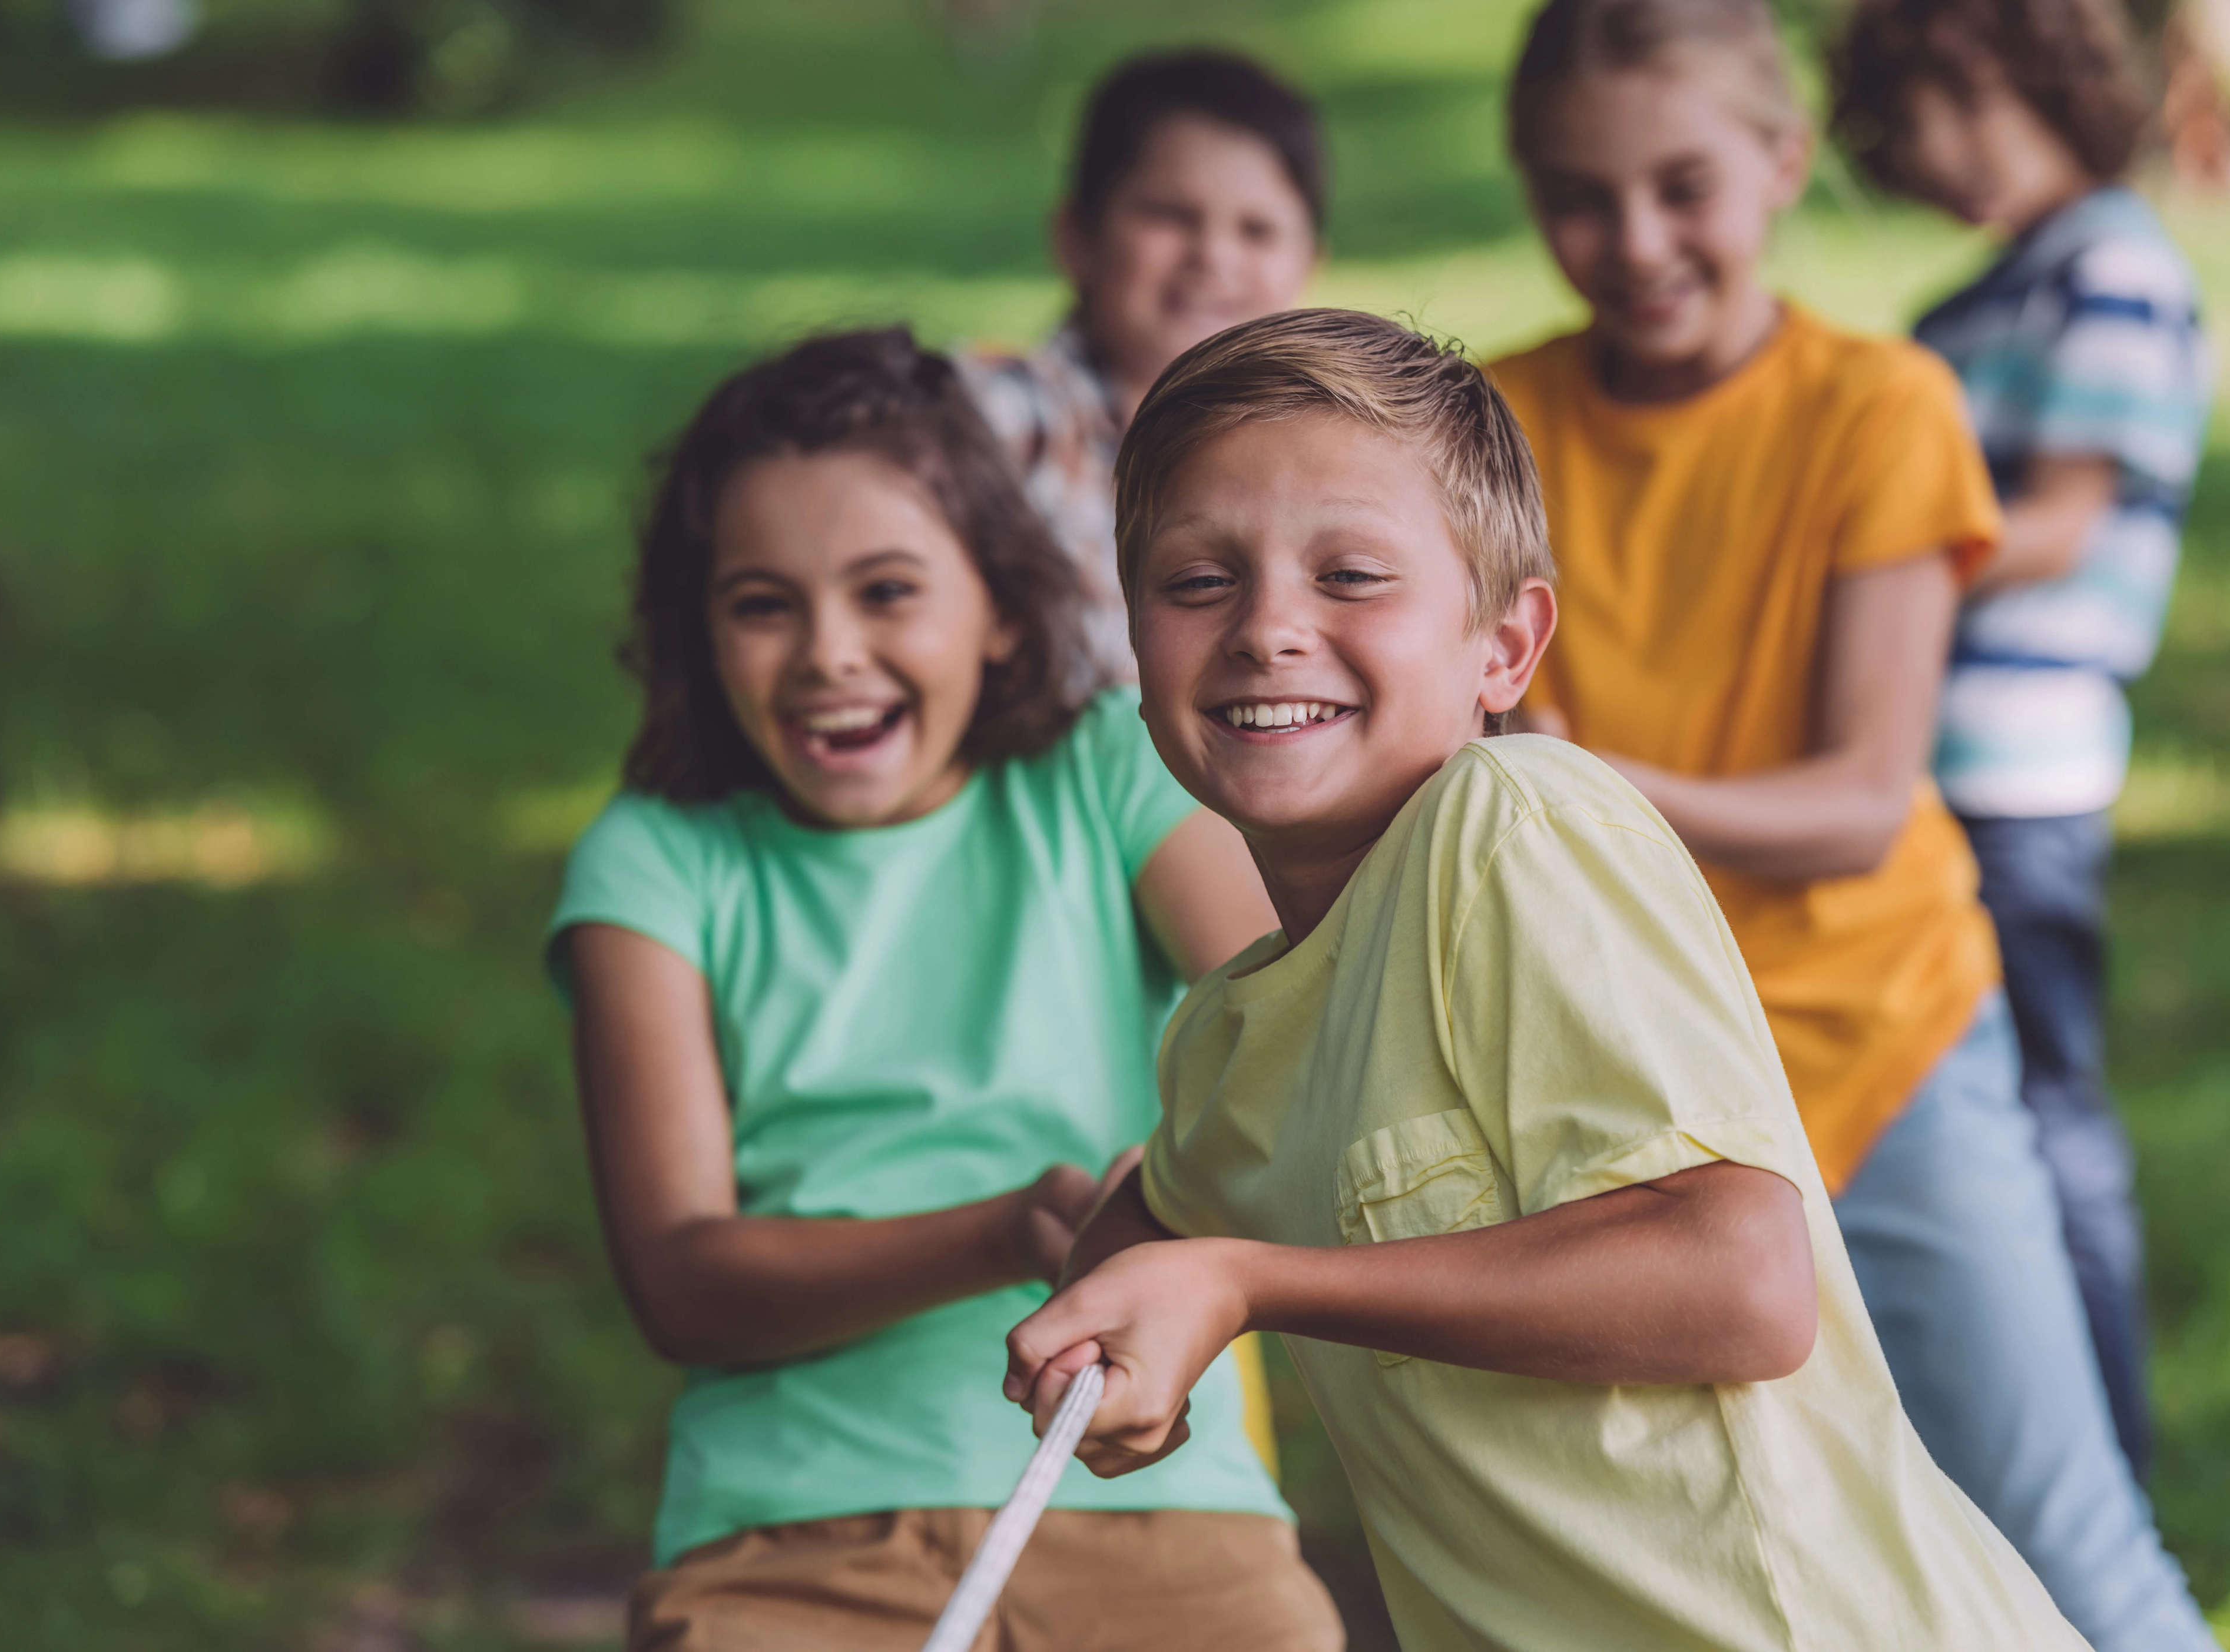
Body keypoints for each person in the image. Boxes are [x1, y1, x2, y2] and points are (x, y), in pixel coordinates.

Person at [1003, 306, 2090, 1652]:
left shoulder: (1512, 817)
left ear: (1504, 648)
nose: (1267, 626)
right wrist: (1104, 1333)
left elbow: (1738, 1278)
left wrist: (1247, 1280)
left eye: (1350, 574)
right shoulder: (1230, 1034)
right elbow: (1153, 1227)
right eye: (1194, 581)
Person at [1480, 4, 2217, 1647]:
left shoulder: (1877, 405)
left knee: (2056, 1536)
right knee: (1656, 1566)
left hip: (1873, 1032)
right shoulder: (1492, 424)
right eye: (1578, 198)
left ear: (1781, 164)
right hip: (1618, 1075)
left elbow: (1852, 802)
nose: (1636, 241)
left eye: (1684, 185)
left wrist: (1572, 780)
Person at [548, 327, 1341, 1652]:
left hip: (1155, 1499)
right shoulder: (654, 860)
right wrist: (1000, 1231)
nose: (828, 653)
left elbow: (1298, 1027)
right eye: (761, 602)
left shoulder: (1102, 773)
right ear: (698, 633)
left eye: (887, 590)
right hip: (785, 1536)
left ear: (1002, 607)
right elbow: (681, 1279)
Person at [1831, 0, 2214, 1486]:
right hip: (1925, 765)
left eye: (1926, 120)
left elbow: (2059, 518)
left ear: (2008, 80)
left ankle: (2097, 1441)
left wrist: (1868, 561)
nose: (1916, 161)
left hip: (2020, 765)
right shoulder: (1977, 297)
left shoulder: (2110, 267)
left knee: (2043, 1109)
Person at [957, 48, 1326, 688]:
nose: (1213, 256)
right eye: (1169, 216)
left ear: (1308, 263)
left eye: (1257, 230)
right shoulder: (998, 421)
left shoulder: (1328, 447)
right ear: (1077, 237)